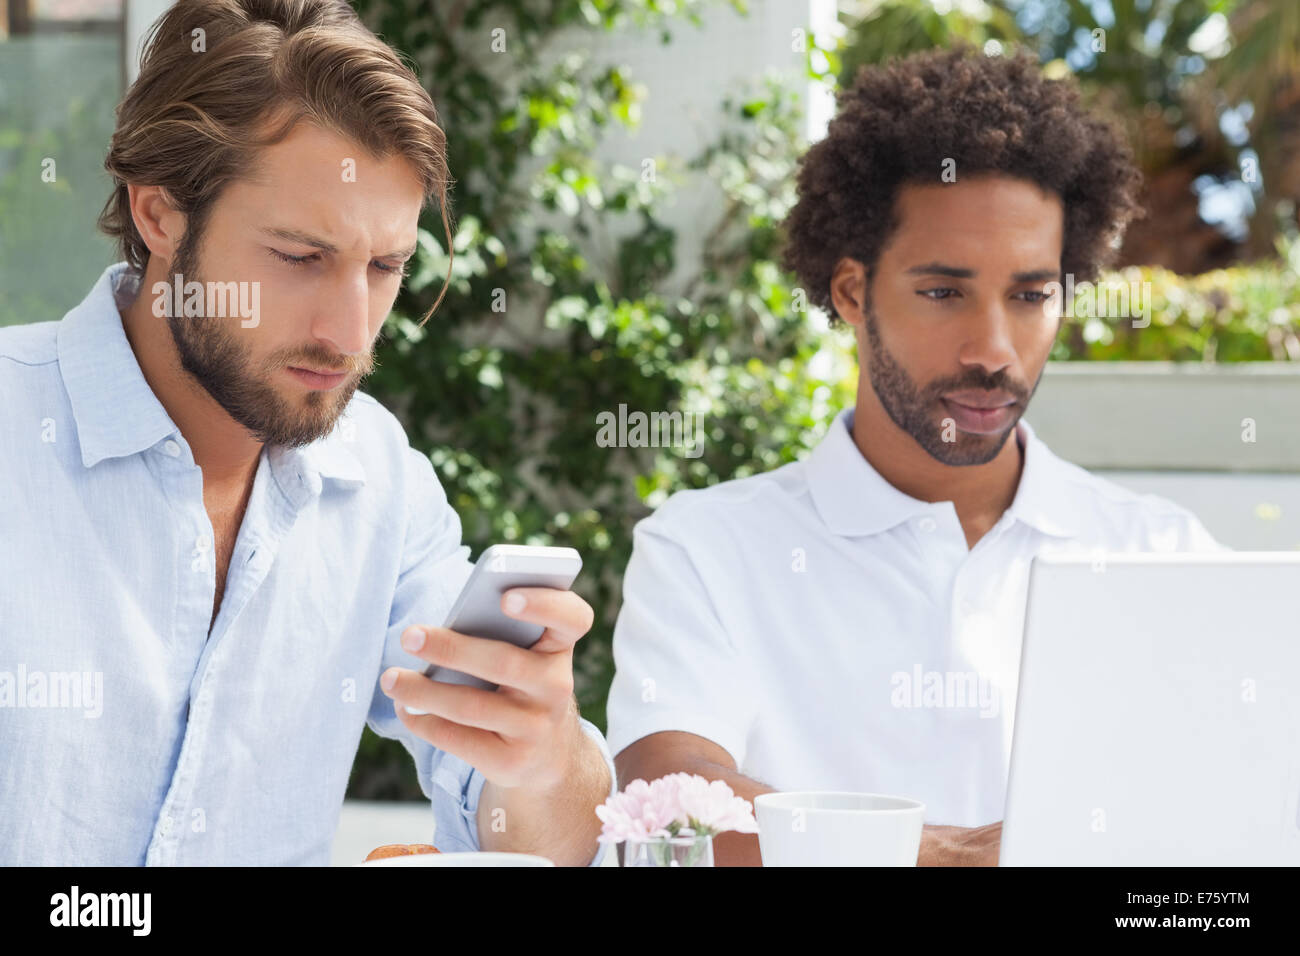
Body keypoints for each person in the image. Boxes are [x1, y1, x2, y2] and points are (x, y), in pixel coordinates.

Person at [0, 0, 614, 865]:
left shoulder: (381, 482)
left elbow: (549, 836)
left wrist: (548, 758)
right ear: (160, 216)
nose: (352, 332)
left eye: (387, 267)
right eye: (299, 258)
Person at [605, 45, 1226, 866]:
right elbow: (668, 802)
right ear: (853, 292)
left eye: (1032, 295)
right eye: (944, 292)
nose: (994, 350)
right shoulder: (706, 549)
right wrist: (931, 855)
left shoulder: (1161, 554)